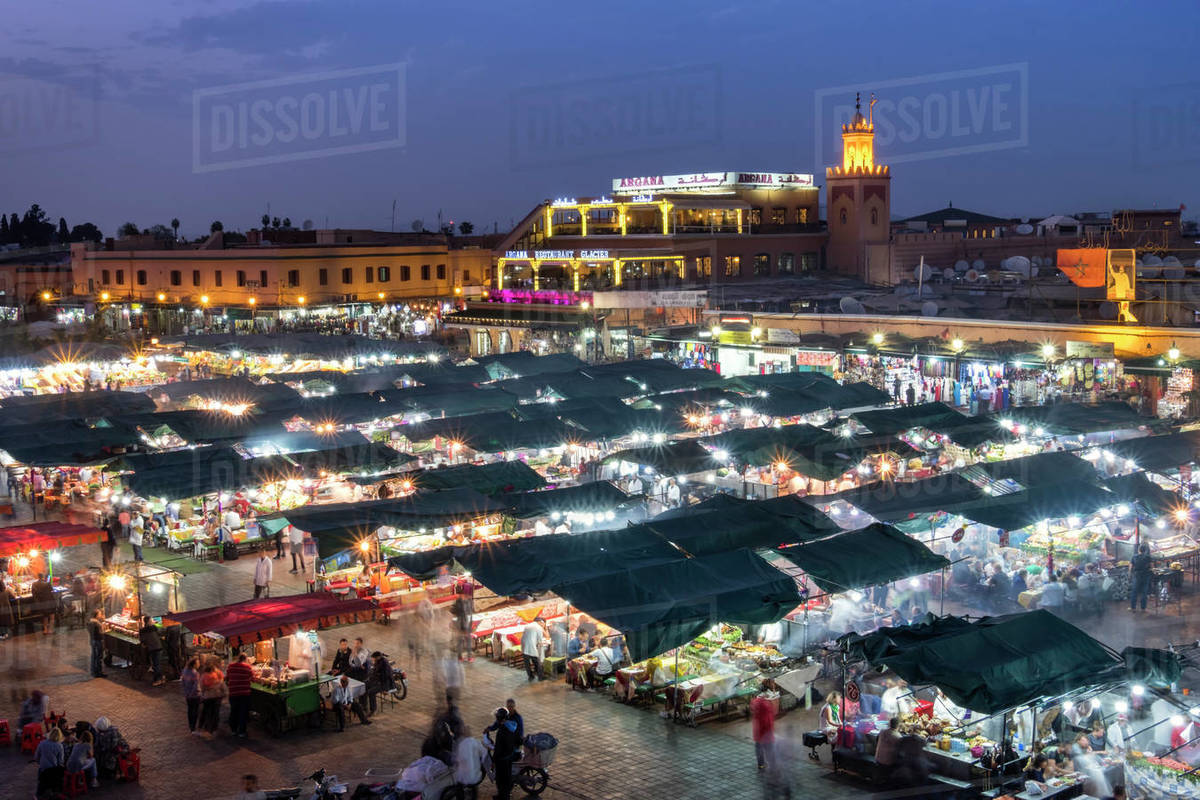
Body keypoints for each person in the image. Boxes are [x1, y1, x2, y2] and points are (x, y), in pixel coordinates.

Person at [489, 707, 520, 800]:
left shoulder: (501, 731)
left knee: (500, 780)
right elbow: (517, 739)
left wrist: (493, 761)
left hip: (502, 760)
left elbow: (498, 749)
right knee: (507, 779)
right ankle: (505, 795)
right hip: (509, 757)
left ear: (499, 719)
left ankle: (502, 797)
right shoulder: (512, 726)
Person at [226, 652, 254, 738]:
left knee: (234, 711)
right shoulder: (248, 667)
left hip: (233, 693)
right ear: (246, 659)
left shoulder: (230, 666)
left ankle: (233, 730)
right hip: (244, 694)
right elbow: (253, 678)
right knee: (243, 712)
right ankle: (242, 732)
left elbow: (227, 678)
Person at [750, 683, 777, 770]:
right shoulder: (765, 704)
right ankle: (772, 764)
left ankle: (761, 764)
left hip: (758, 730)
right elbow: (771, 715)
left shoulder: (754, 702)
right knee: (769, 747)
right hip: (766, 730)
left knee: (759, 747)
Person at [453, 731, 487, 800]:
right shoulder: (474, 741)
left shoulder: (461, 745)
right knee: (473, 786)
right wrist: (481, 762)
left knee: (458, 785)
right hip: (476, 776)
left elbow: (457, 760)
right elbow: (484, 752)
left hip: (466, 777)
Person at [34, 726, 66, 796]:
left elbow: (36, 756)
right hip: (53, 769)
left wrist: (39, 762)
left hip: (43, 768)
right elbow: (60, 761)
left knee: (41, 782)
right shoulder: (59, 746)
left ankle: (38, 794)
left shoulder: (42, 743)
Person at [199, 660, 226, 736]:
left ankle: (209, 728)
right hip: (217, 695)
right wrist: (224, 692)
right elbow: (222, 683)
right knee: (215, 712)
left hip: (208, 696)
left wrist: (204, 692)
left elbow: (202, 686)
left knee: (209, 712)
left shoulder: (204, 675)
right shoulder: (217, 673)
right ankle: (214, 728)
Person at [365, 651, 396, 715]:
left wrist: (385, 689)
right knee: (365, 684)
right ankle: (364, 704)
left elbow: (383, 677)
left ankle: (373, 710)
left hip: (384, 684)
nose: (372, 660)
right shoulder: (379, 661)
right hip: (378, 681)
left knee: (371, 692)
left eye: (373, 658)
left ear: (377, 658)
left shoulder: (383, 664)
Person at [139, 615, 165, 686]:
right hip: (158, 647)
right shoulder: (154, 628)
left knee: (155, 664)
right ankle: (160, 678)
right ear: (149, 622)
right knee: (157, 664)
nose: (153, 621)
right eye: (152, 620)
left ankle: (158, 679)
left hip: (152, 648)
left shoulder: (142, 631)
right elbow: (160, 633)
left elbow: (143, 641)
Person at [181, 656, 202, 733]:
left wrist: (186, 692)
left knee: (190, 710)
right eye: (198, 663)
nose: (199, 664)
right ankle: (194, 726)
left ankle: (191, 726)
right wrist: (192, 693)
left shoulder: (184, 671)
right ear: (194, 664)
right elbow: (196, 686)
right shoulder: (195, 673)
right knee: (195, 711)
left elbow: (182, 682)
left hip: (187, 694)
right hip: (195, 695)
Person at [1130, 543, 1153, 611]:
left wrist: (1130, 574)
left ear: (1138, 550)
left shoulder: (1134, 557)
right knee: (1144, 592)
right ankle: (1143, 608)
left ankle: (1133, 607)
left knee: (1134, 591)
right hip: (1145, 576)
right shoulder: (1148, 557)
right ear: (1145, 550)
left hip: (1137, 576)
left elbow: (1130, 567)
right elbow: (1152, 567)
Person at [87, 609, 107, 678]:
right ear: (97, 615)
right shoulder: (96, 623)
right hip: (98, 641)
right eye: (100, 614)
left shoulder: (90, 621)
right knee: (99, 657)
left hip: (92, 641)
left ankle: (93, 671)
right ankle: (99, 672)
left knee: (94, 656)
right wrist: (104, 629)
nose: (101, 615)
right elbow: (100, 633)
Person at [0, 575, 14, 639]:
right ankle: (6, 634)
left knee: (2, 622)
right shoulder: (7, 591)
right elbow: (13, 597)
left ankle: (2, 634)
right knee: (6, 621)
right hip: (7, 609)